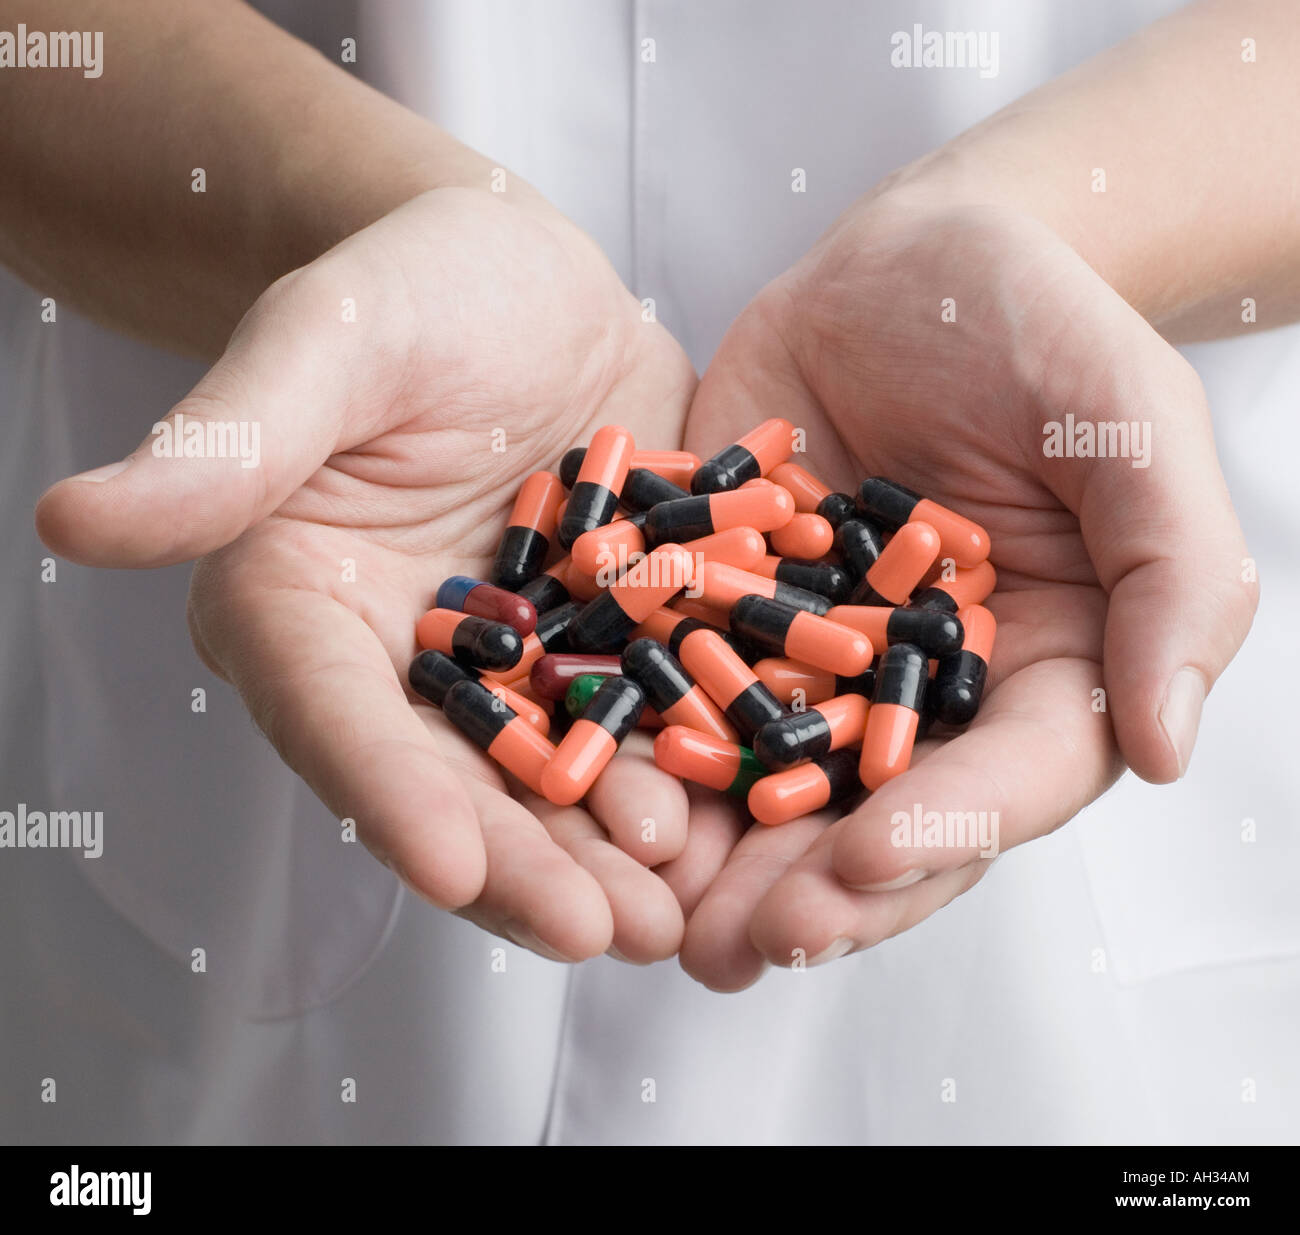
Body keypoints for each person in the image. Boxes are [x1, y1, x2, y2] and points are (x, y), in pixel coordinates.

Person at [3, 0, 1296, 1144]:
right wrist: (364, 226)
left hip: (1068, 818)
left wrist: (1041, 233)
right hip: (293, 703)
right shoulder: (676, 599)